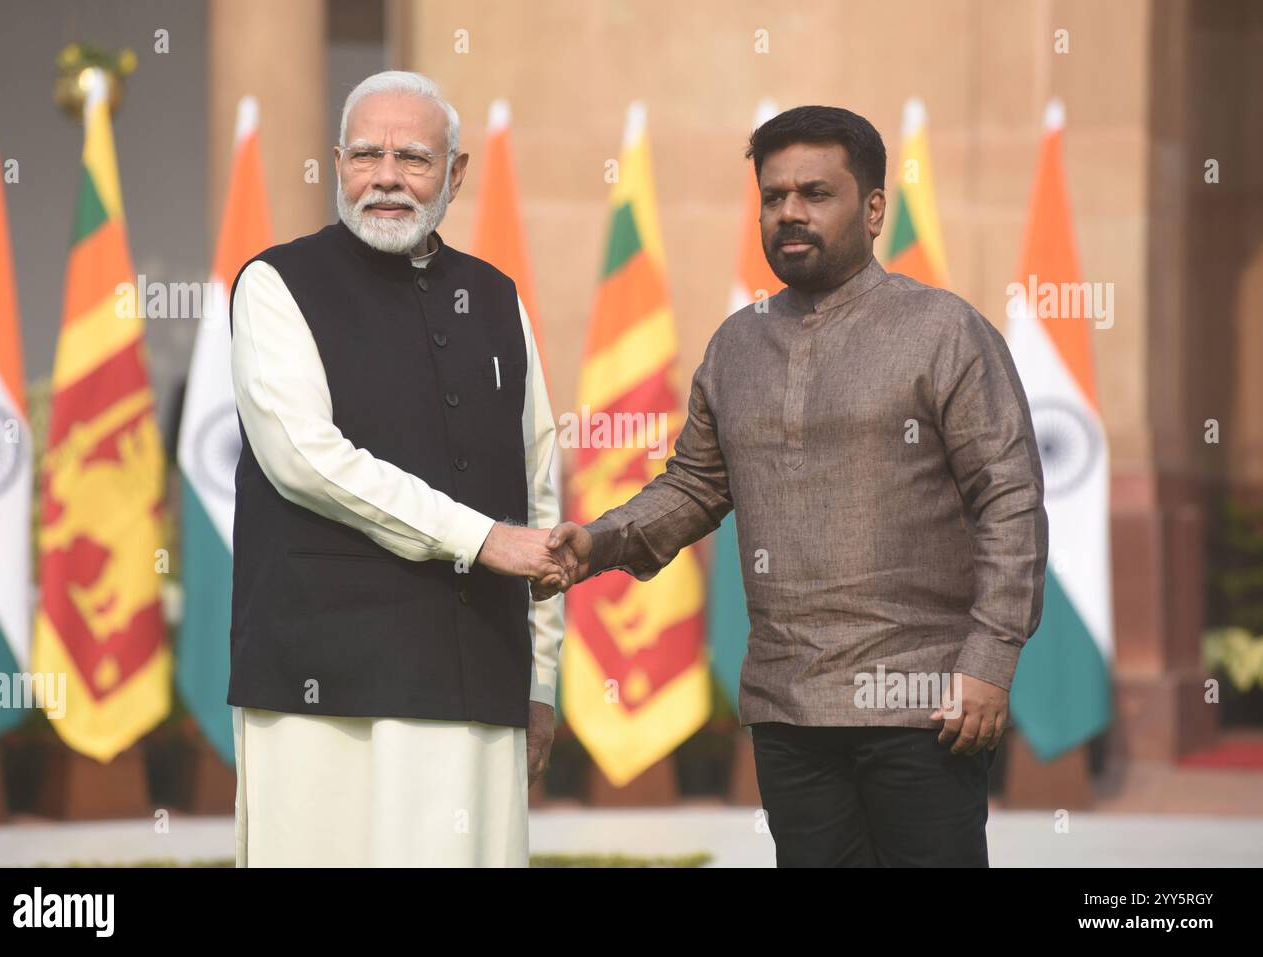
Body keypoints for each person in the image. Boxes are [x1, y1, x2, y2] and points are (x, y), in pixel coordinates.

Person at [538, 105, 1049, 867]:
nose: (790, 214)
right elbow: (694, 486)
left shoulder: (943, 331)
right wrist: (599, 540)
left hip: (922, 703)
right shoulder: (738, 345)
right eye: (773, 197)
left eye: (816, 192)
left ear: (874, 208)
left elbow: (1010, 500)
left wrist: (988, 660)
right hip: (790, 708)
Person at [227, 70, 573, 866]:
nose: (386, 176)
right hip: (319, 690)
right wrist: (481, 538)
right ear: (337, 163)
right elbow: (306, 460)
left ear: (454, 174)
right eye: (366, 154)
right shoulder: (276, 285)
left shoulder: (497, 297)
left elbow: (537, 486)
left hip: (477, 684)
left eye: (413, 158)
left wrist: (542, 681)